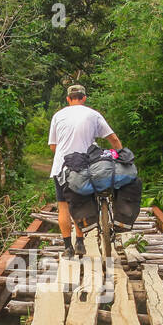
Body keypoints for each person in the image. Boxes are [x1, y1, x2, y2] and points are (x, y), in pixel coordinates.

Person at [48, 84, 121, 257]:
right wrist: (120, 155)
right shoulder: (93, 114)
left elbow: (53, 146)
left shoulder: (58, 116)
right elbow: (113, 138)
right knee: (80, 202)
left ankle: (68, 247)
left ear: (68, 99)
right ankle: (80, 241)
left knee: (63, 206)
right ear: (84, 98)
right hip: (86, 167)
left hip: (62, 167)